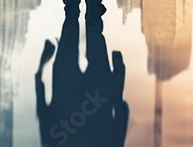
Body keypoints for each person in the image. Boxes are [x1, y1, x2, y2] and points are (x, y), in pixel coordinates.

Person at [35, 16, 128, 146]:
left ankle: (89, 5)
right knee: (71, 22)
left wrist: (118, 78)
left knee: (92, 27)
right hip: (69, 90)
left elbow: (122, 112)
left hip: (96, 94)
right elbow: (43, 115)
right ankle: (75, 3)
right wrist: (40, 70)